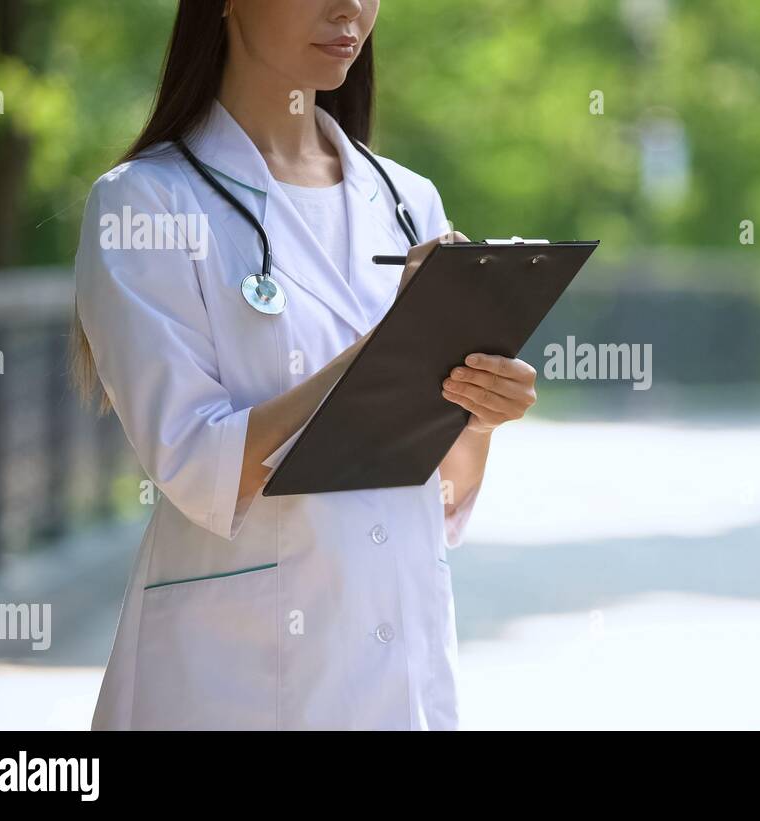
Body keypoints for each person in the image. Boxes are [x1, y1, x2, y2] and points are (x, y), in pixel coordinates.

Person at [69, 0, 538, 729]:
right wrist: (394, 343)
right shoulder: (144, 204)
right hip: (233, 686)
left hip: (400, 682)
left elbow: (445, 487)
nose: (349, 8)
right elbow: (197, 463)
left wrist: (477, 408)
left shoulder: (411, 202)